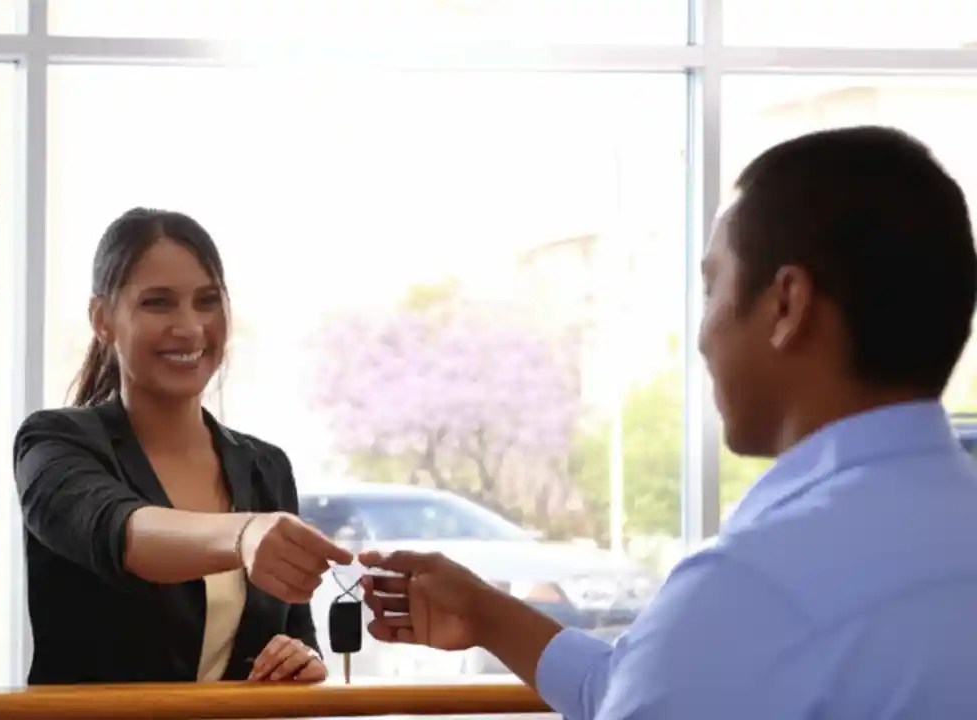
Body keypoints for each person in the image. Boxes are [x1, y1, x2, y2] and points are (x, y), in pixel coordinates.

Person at [360, 126, 977, 719]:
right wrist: (488, 614)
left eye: (712, 289)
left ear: (787, 304)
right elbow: (650, 686)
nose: (704, 339)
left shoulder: (754, 591)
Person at [14, 207, 353, 685]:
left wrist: (301, 660)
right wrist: (244, 535)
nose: (190, 328)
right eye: (158, 303)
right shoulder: (55, 443)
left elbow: (295, 632)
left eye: (207, 301)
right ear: (102, 319)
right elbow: (121, 533)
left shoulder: (264, 467)